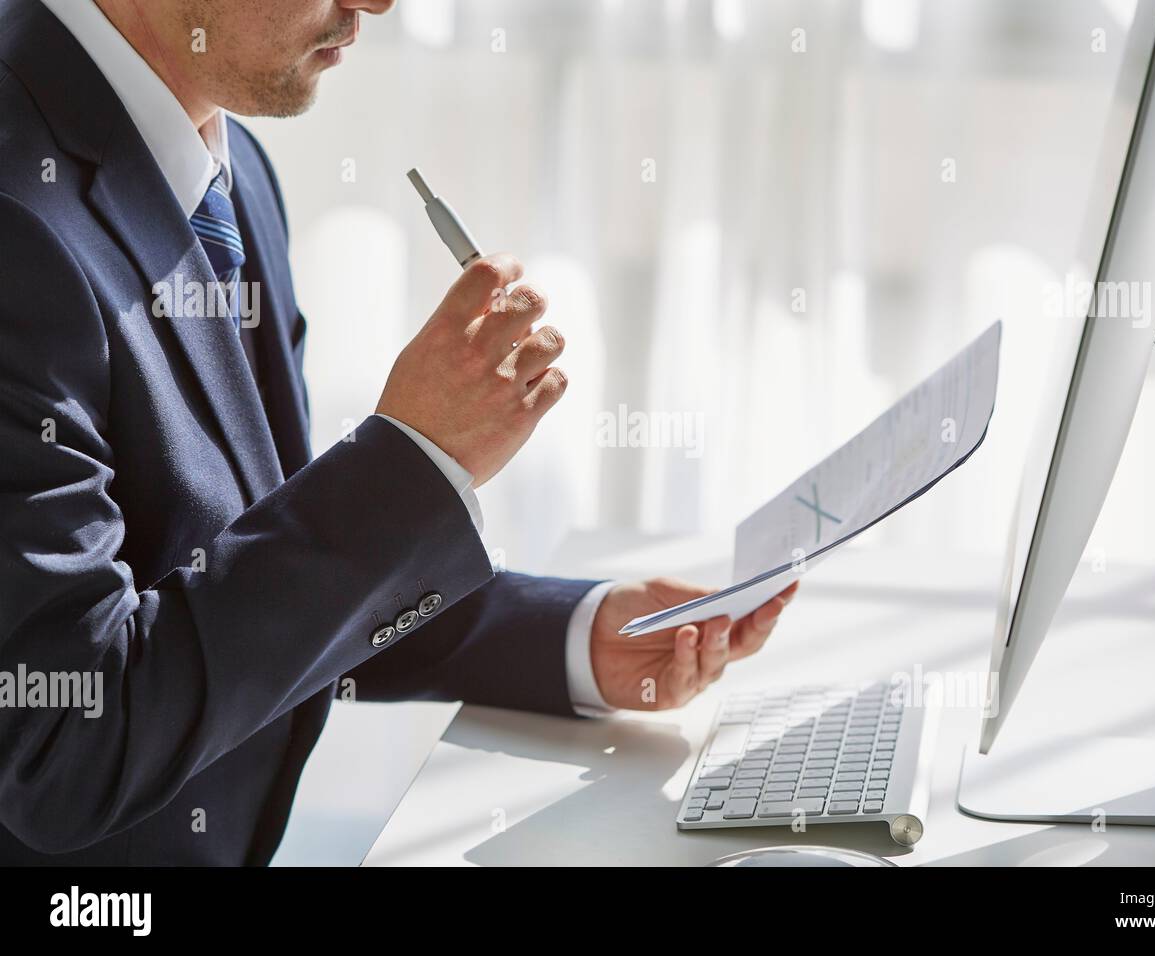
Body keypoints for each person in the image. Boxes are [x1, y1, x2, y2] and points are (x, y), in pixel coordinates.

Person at [0, 0, 796, 865]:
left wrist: (575, 637)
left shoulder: (228, 167)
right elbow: (61, 747)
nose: (378, 3)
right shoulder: (18, 222)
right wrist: (411, 462)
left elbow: (260, 583)